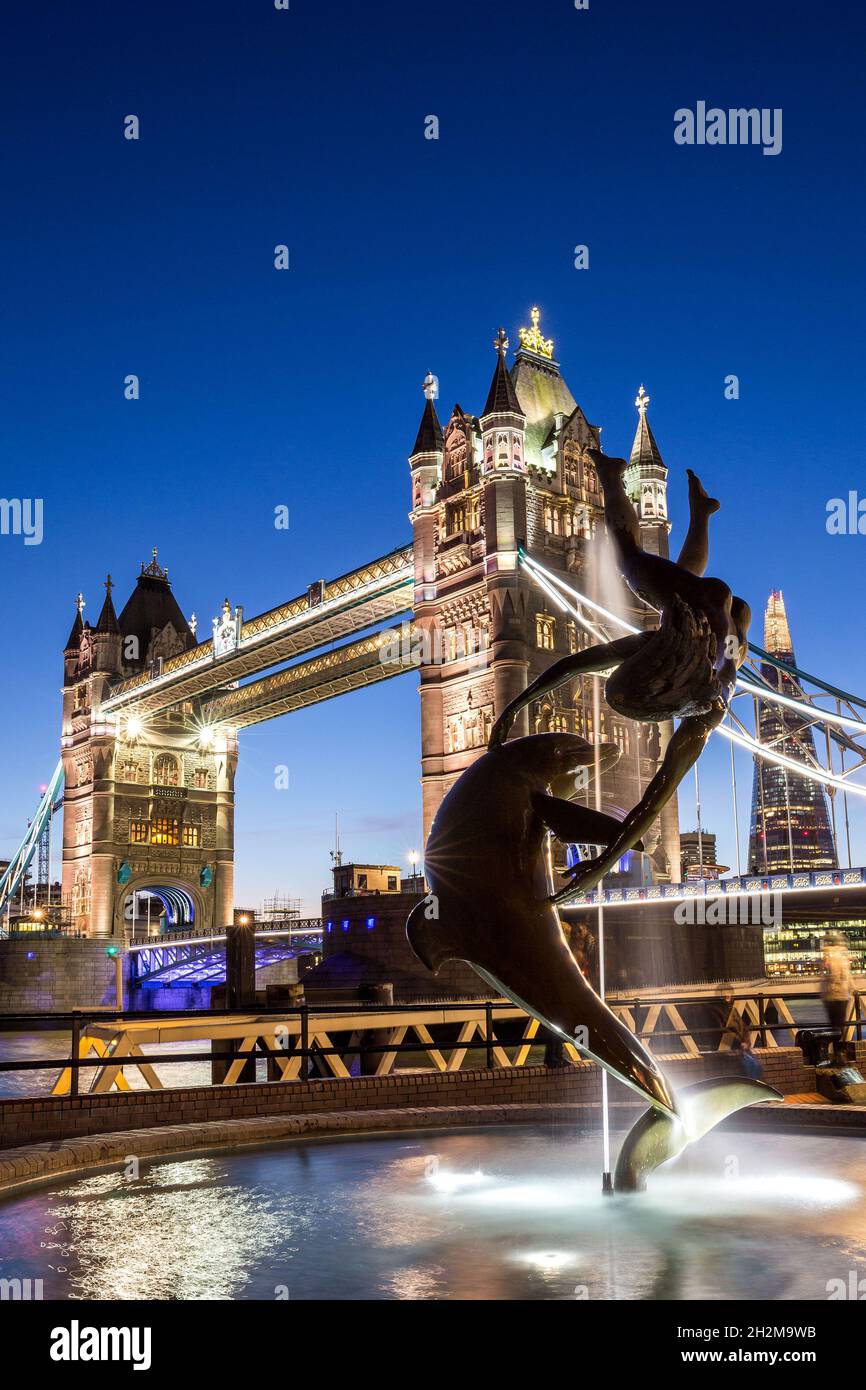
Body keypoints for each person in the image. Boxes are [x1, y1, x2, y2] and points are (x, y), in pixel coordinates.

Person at [490, 451, 751, 900]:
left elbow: (651, 800)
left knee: (655, 570)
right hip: (708, 611)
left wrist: (516, 705)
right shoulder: (669, 659)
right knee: (633, 561)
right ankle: (622, 480)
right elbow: (579, 664)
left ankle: (687, 509)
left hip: (726, 618)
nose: (646, 732)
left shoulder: (700, 693)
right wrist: (515, 706)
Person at [821, 931, 853, 1062]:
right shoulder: (843, 955)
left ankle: (836, 1053)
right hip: (843, 995)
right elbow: (847, 975)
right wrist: (853, 988)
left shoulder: (829, 955)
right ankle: (840, 1052)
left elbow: (832, 975)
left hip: (832, 996)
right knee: (841, 1024)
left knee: (834, 1025)